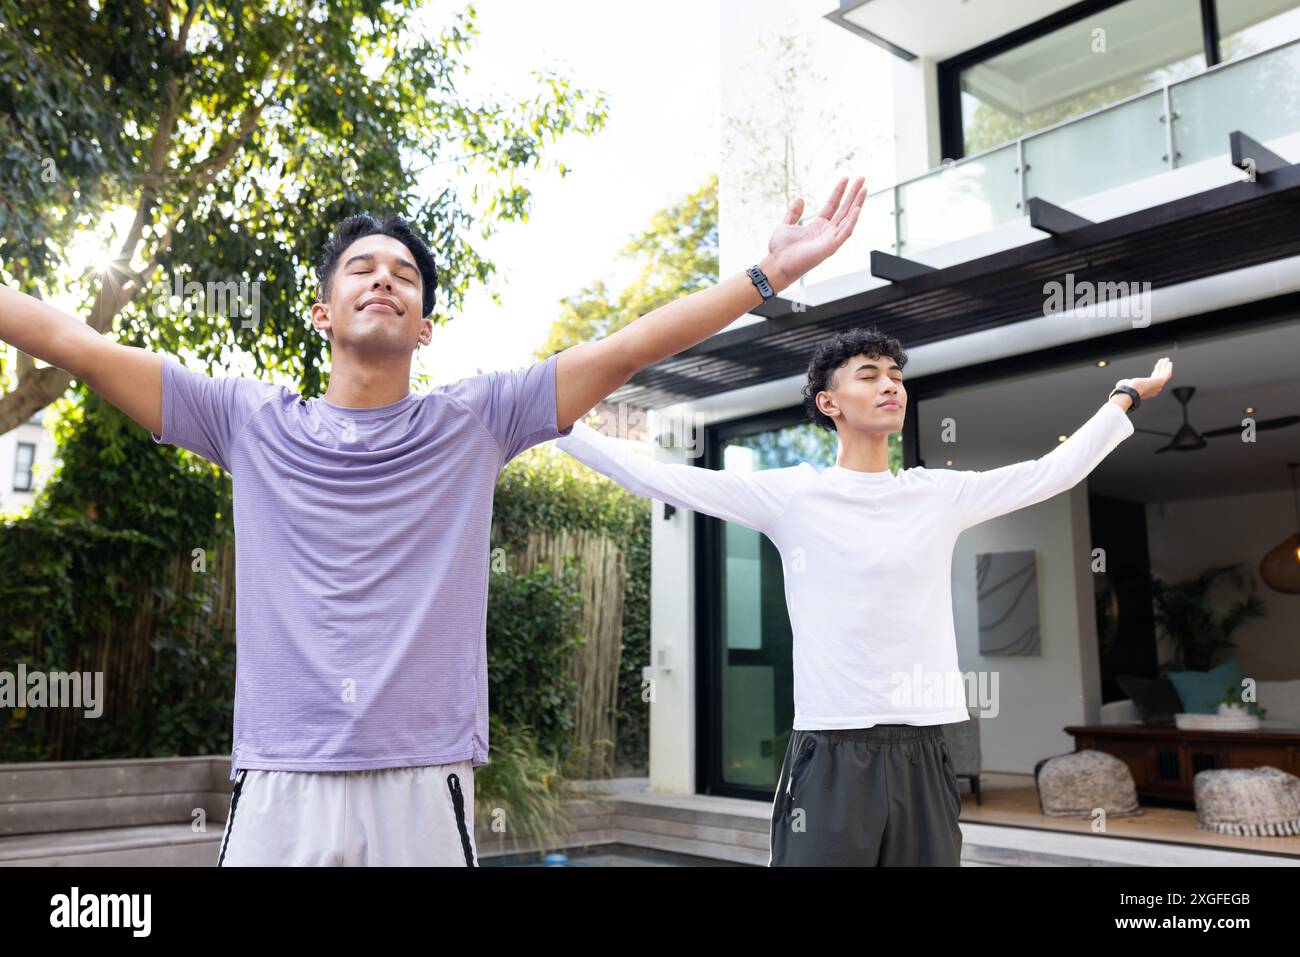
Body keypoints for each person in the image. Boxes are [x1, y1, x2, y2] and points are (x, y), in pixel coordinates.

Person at [0, 176, 867, 865]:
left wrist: (768, 276)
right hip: (279, 779)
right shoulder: (245, 419)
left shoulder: (476, 419)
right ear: (323, 312)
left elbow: (631, 344)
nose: (385, 278)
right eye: (363, 269)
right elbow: (78, 344)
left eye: (405, 275)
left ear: (423, 327)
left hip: (424, 781)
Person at [555, 327, 1173, 865]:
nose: (891, 386)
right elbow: (660, 476)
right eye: (870, 374)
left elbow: (1050, 473)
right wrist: (559, 427)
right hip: (831, 750)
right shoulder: (792, 495)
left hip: (926, 748)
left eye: (897, 376)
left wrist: (1122, 397)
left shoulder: (937, 495)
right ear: (829, 402)